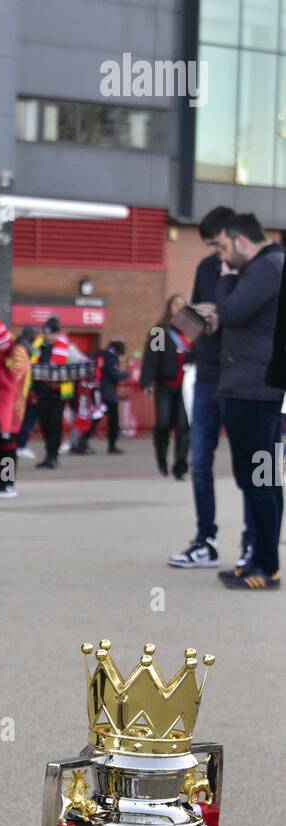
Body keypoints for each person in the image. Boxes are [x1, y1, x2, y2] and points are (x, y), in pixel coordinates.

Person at [195, 213, 284, 591]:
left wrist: (227, 279)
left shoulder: (267, 268)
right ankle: (261, 560)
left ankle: (267, 565)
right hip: (251, 391)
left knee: (261, 482)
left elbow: (233, 311)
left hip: (256, 393)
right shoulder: (264, 267)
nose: (220, 257)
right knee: (259, 481)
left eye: (222, 247)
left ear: (241, 241)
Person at [168, 206, 237, 570]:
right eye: (210, 246)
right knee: (199, 461)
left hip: (243, 379)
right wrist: (193, 319)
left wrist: (221, 318)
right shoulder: (205, 268)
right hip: (208, 374)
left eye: (218, 244)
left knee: (255, 466)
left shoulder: (260, 270)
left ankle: (256, 542)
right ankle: (205, 539)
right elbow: (190, 324)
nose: (216, 252)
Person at [0, 322, 35, 498]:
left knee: (8, 445)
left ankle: (8, 484)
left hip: (10, 411)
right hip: (4, 409)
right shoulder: (9, 351)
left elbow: (11, 379)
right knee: (2, 445)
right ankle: (2, 481)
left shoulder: (16, 352)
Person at [140, 294, 191, 481]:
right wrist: (146, 381)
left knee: (183, 427)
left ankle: (180, 466)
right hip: (165, 386)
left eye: (183, 305)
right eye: (176, 304)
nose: (180, 307)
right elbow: (151, 358)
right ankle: (161, 457)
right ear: (169, 308)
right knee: (163, 424)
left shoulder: (192, 331)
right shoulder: (160, 331)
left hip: (186, 387)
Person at [30, 316, 73, 469]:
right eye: (46, 333)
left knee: (54, 424)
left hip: (58, 392)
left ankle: (52, 456)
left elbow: (77, 364)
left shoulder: (67, 346)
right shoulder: (40, 347)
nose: (48, 336)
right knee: (44, 425)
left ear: (57, 333)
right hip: (42, 392)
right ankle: (49, 454)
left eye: (51, 333)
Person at [95, 339, 128, 454]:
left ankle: (82, 441)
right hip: (108, 393)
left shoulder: (103, 354)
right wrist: (127, 374)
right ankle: (112, 446)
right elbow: (113, 374)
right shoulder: (111, 357)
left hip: (99, 391)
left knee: (96, 416)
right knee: (113, 420)